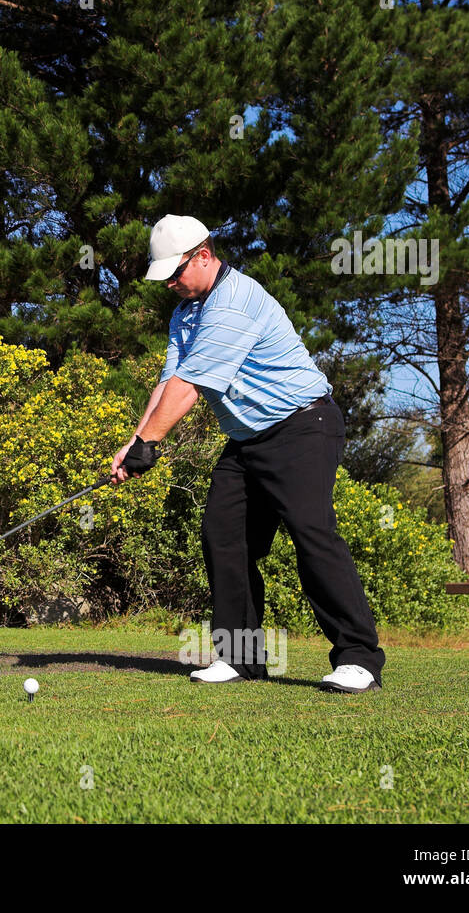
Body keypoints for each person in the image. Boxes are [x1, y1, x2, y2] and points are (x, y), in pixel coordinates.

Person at [112, 214, 385, 693]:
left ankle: (359, 658)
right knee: (224, 536)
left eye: (176, 273)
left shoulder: (232, 303)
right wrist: (136, 442)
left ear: (203, 254)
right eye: (166, 278)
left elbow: (192, 387)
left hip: (303, 425)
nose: (171, 284)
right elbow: (169, 382)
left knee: (311, 533)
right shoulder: (186, 312)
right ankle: (240, 658)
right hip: (247, 440)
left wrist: (151, 443)